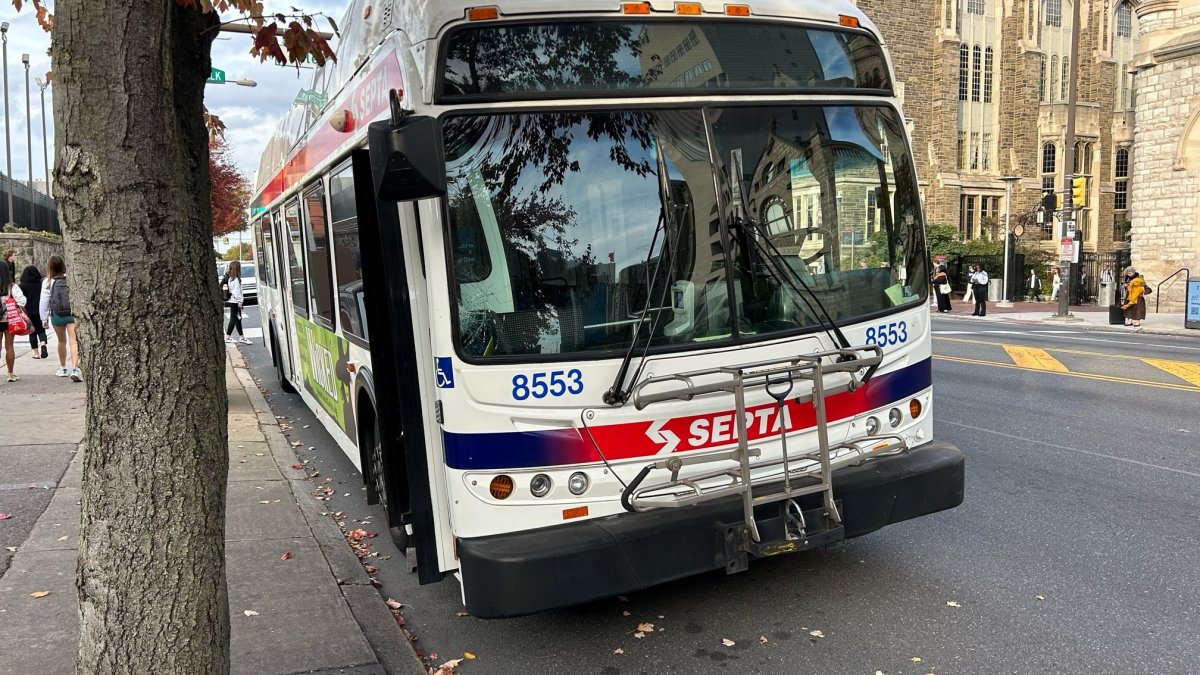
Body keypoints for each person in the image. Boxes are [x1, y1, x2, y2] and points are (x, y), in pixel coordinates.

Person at [41, 255, 82, 382]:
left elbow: (44, 301)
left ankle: (63, 368)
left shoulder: (48, 281)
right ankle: (75, 368)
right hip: (71, 313)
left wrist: (44, 318)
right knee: (73, 341)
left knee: (61, 341)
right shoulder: (70, 278)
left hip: (57, 315)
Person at [0, 263, 27, 382]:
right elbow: (22, 301)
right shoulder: (12, 287)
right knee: (9, 346)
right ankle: (10, 373)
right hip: (9, 320)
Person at [18, 265, 48, 359]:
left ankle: (36, 353)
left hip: (28, 311)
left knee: (32, 332)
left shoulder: (22, 286)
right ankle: (43, 343)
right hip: (40, 310)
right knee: (41, 329)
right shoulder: (41, 284)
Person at [223, 260, 251, 345]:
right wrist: (240, 302)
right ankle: (227, 337)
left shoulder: (230, 278)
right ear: (237, 268)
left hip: (232, 301)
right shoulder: (236, 280)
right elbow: (236, 292)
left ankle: (242, 337)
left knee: (238, 319)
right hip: (235, 302)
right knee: (234, 319)